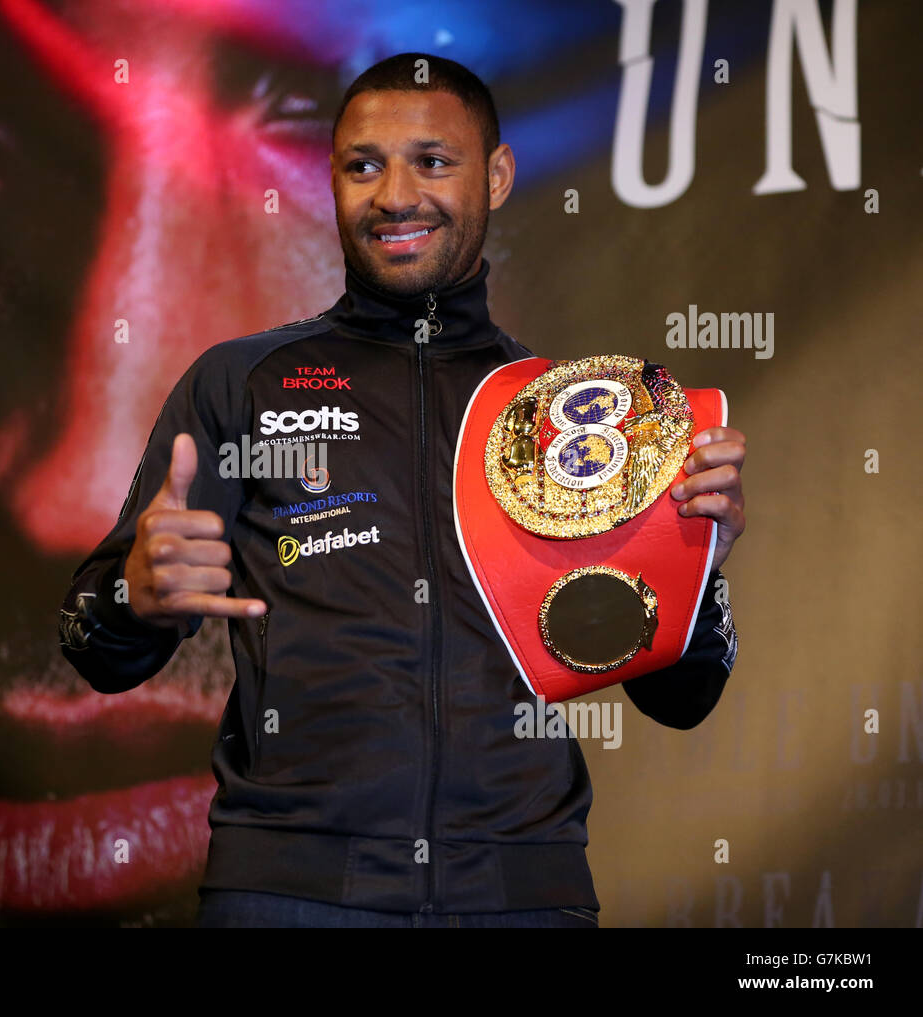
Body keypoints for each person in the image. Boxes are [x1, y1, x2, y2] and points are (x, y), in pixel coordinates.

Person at [60, 53, 746, 928]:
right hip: (289, 894)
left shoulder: (574, 420)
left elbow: (681, 697)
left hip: (520, 894)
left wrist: (696, 570)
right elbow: (92, 645)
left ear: (495, 175)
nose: (394, 196)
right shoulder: (242, 384)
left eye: (432, 161)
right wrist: (133, 595)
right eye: (362, 165)